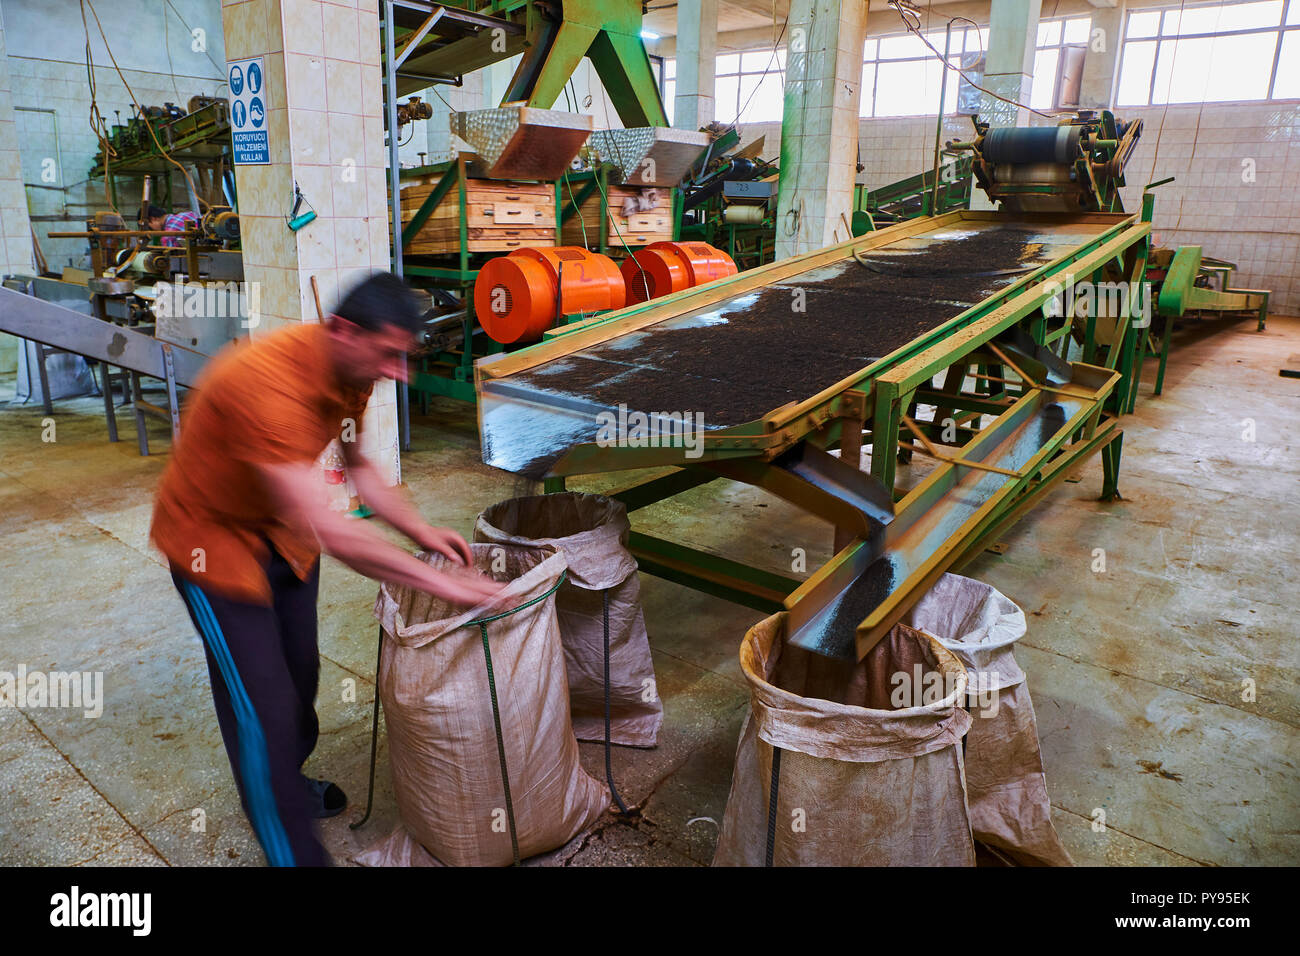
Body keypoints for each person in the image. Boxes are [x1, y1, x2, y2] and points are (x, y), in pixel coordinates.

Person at [150, 272, 504, 866]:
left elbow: (360, 470)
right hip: (212, 545)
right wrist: (445, 584)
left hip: (281, 532)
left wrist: (420, 530)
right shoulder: (263, 385)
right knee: (261, 709)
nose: (399, 371)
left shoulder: (350, 374)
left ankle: (285, 780)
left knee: (299, 677)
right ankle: (288, 840)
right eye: (390, 354)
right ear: (344, 331)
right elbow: (339, 534)